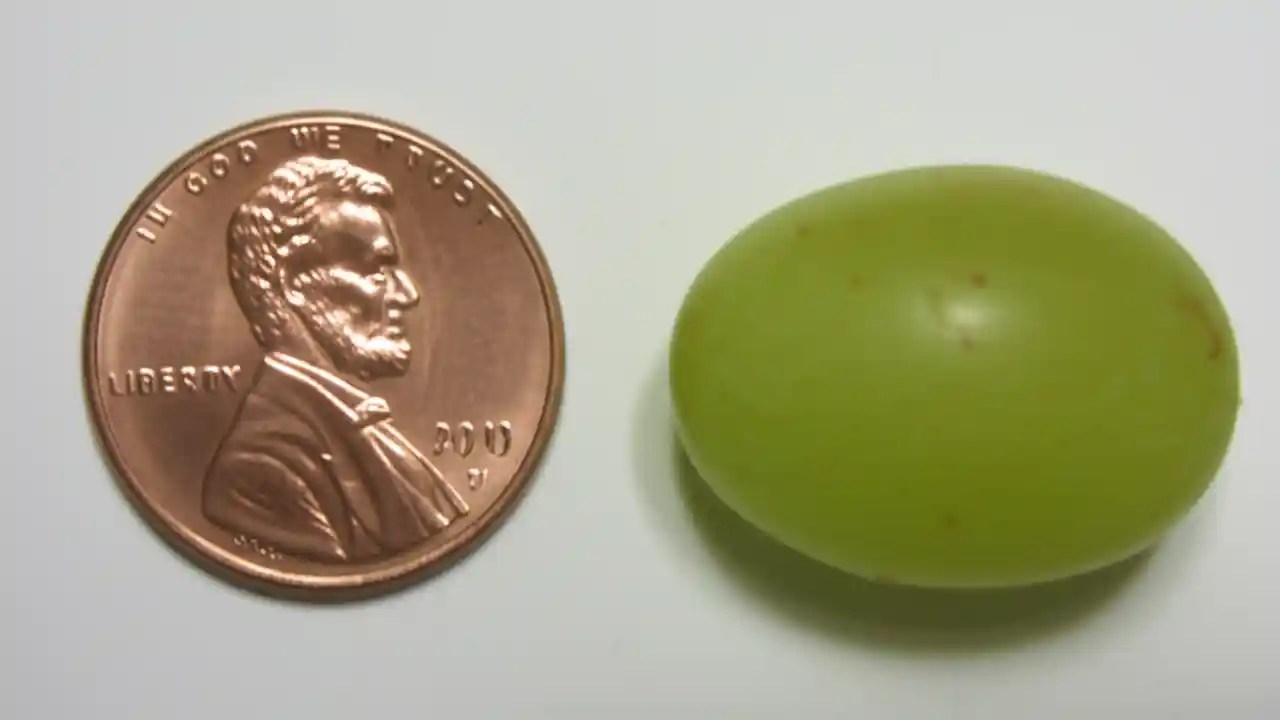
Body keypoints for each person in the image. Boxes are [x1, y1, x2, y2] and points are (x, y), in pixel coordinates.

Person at [202, 156, 468, 562]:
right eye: (377, 270)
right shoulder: (260, 469)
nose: (407, 294)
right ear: (290, 281)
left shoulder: (356, 425)